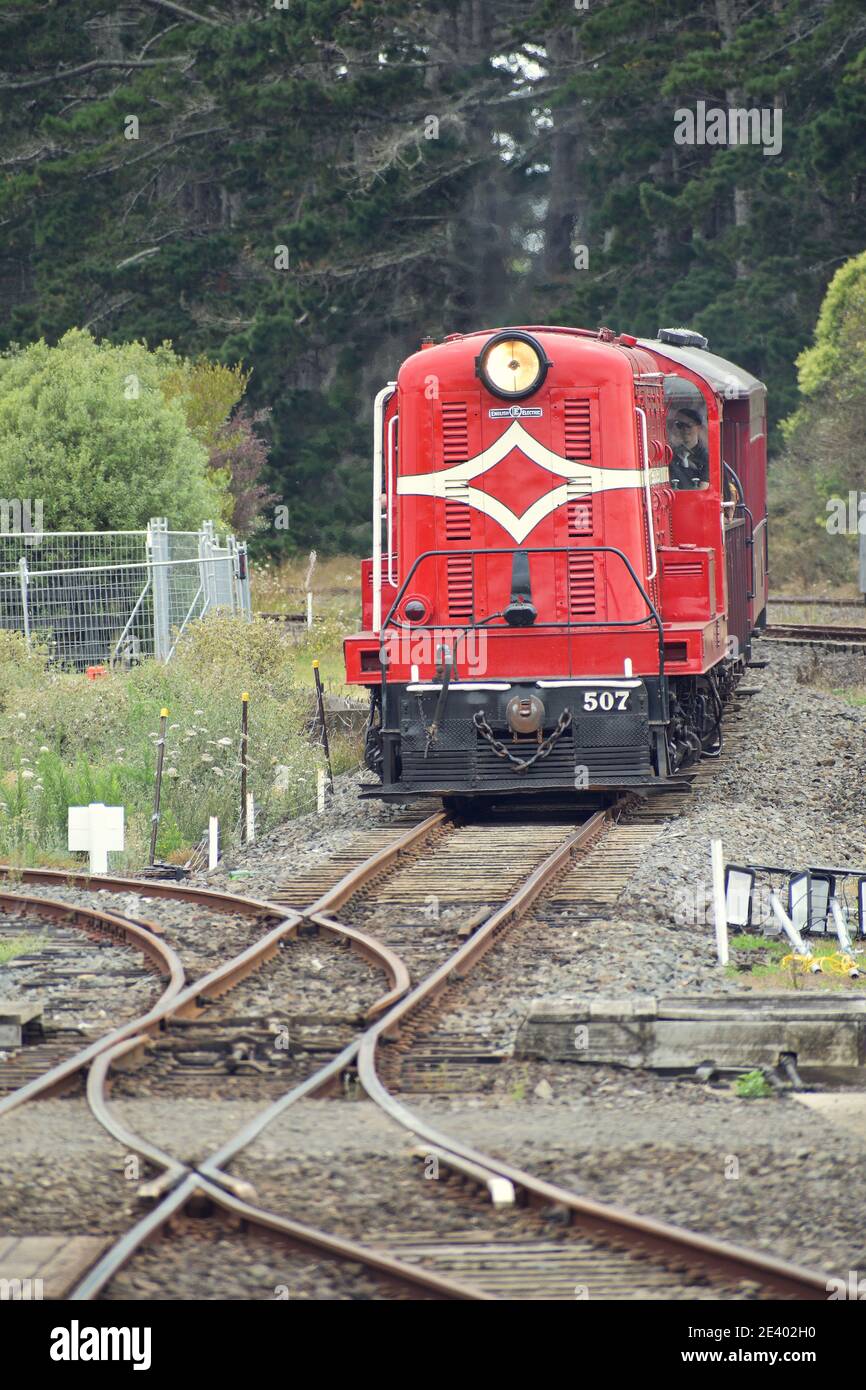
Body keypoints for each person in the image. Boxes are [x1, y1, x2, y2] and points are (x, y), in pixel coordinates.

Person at [667, 407, 709, 489]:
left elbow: (704, 491)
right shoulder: (670, 457)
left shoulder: (707, 458)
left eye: (689, 425)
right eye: (680, 425)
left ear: (699, 428)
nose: (684, 429)